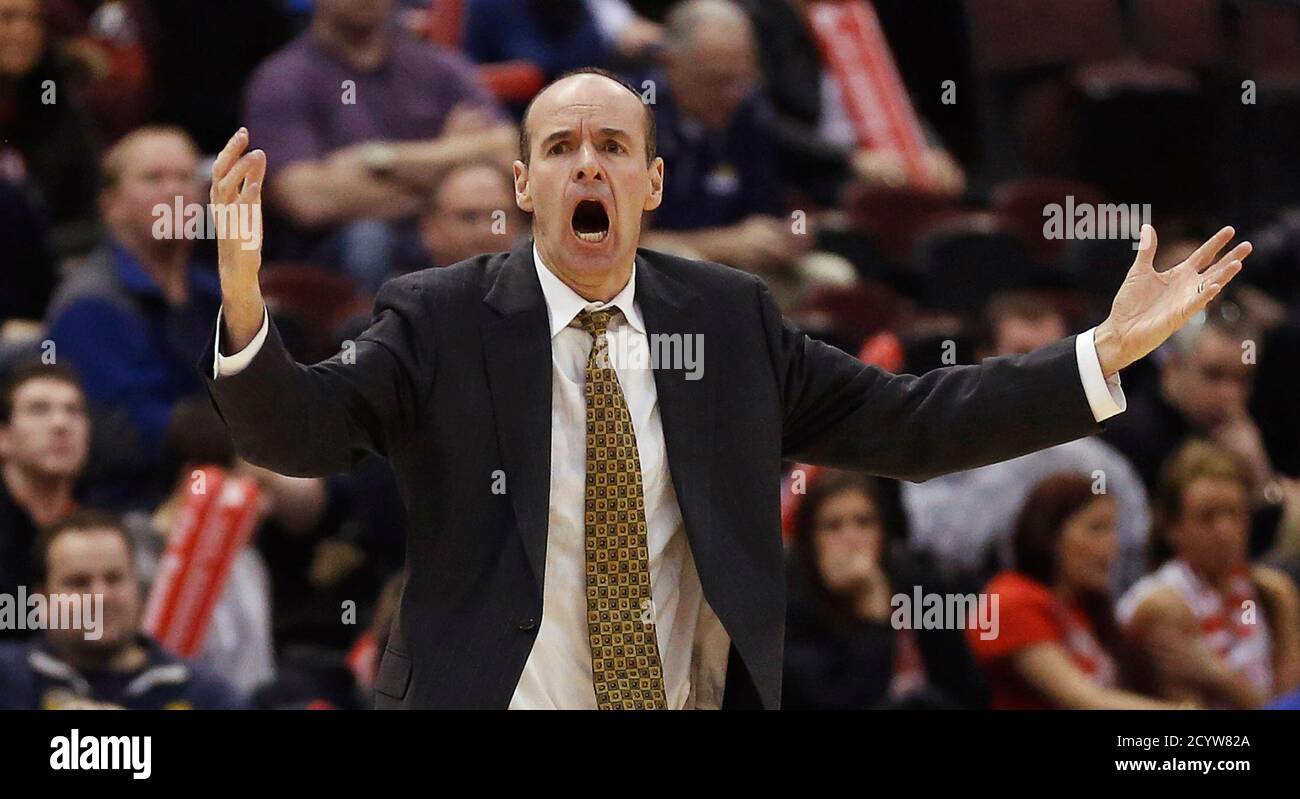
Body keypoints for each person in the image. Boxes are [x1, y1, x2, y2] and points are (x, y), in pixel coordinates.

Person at [205, 66, 1248, 709]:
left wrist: (1100, 353)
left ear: (653, 183)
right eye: (559, 150)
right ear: (522, 186)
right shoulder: (437, 317)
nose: (587, 170)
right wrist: (246, 301)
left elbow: (912, 422)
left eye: (613, 148)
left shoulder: (728, 319)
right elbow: (298, 433)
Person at [242, 0, 514, 290]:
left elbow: (510, 149)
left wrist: (381, 159)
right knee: (368, 238)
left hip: (447, 242)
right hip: (339, 266)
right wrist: (448, 163)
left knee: (494, 223)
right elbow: (307, 200)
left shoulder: (437, 67)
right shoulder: (283, 80)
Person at [902, 292, 1151, 592]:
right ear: (983, 359)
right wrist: (1023, 455)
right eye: (1022, 354)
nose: (1040, 371)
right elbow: (944, 552)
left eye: (1053, 355)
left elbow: (1134, 551)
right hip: (973, 610)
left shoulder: (1097, 462)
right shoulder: (942, 443)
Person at [45, 126, 221, 510]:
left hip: (224, 493)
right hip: (128, 513)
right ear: (111, 205)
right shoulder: (89, 304)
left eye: (185, 177)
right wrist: (241, 437)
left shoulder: (216, 294)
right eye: (153, 178)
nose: (174, 191)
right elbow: (117, 435)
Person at [0, 510, 247, 709]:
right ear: (42, 599)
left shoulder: (206, 694)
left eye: (114, 579)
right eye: (79, 583)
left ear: (139, 588)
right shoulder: (8, 678)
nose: (101, 597)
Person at [783, 470, 987, 709]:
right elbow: (839, 701)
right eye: (832, 526)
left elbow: (968, 692)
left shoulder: (918, 585)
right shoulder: (792, 608)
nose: (851, 538)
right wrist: (873, 619)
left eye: (864, 522)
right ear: (809, 540)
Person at [1118, 441, 1300, 708]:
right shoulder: (1162, 605)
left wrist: (1214, 675)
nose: (1224, 530)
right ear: (1172, 527)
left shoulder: (1275, 591)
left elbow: (1289, 700)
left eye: (1234, 513)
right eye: (1207, 517)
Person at [969, 474, 1170, 709]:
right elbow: (1085, 701)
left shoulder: (1084, 605)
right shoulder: (1010, 600)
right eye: (1096, 528)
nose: (1111, 544)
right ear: (1049, 534)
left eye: (1112, 529)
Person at [638, 0, 808, 276]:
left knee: (828, 272)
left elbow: (775, 208)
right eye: (715, 82)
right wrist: (722, 244)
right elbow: (622, 245)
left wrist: (793, 231)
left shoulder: (750, 110)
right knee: (683, 260)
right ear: (669, 64)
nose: (731, 96)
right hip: (663, 266)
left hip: (740, 265)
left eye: (740, 80)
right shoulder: (634, 118)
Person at [0, 362, 90, 638]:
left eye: (73, 411)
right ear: (3, 437)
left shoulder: (99, 533)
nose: (60, 424)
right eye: (39, 410)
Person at [418, 160, 525, 268]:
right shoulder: (407, 284)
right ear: (431, 226)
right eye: (469, 218)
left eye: (499, 217)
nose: (486, 231)